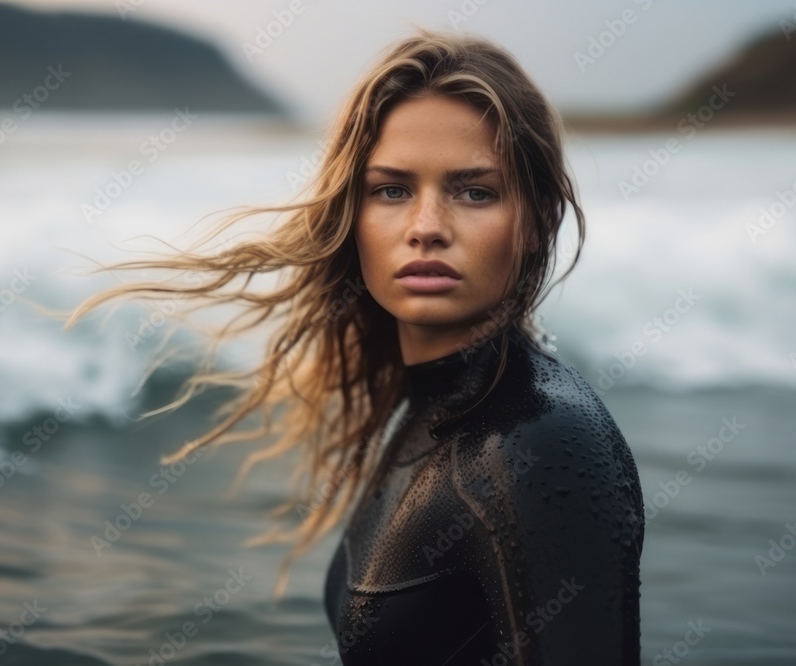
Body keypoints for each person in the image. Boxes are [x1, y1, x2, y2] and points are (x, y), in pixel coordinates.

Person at [65, 27, 643, 666]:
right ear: (352, 215)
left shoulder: (540, 440)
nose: (427, 228)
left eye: (475, 191)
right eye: (392, 190)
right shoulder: (428, 410)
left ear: (538, 222)